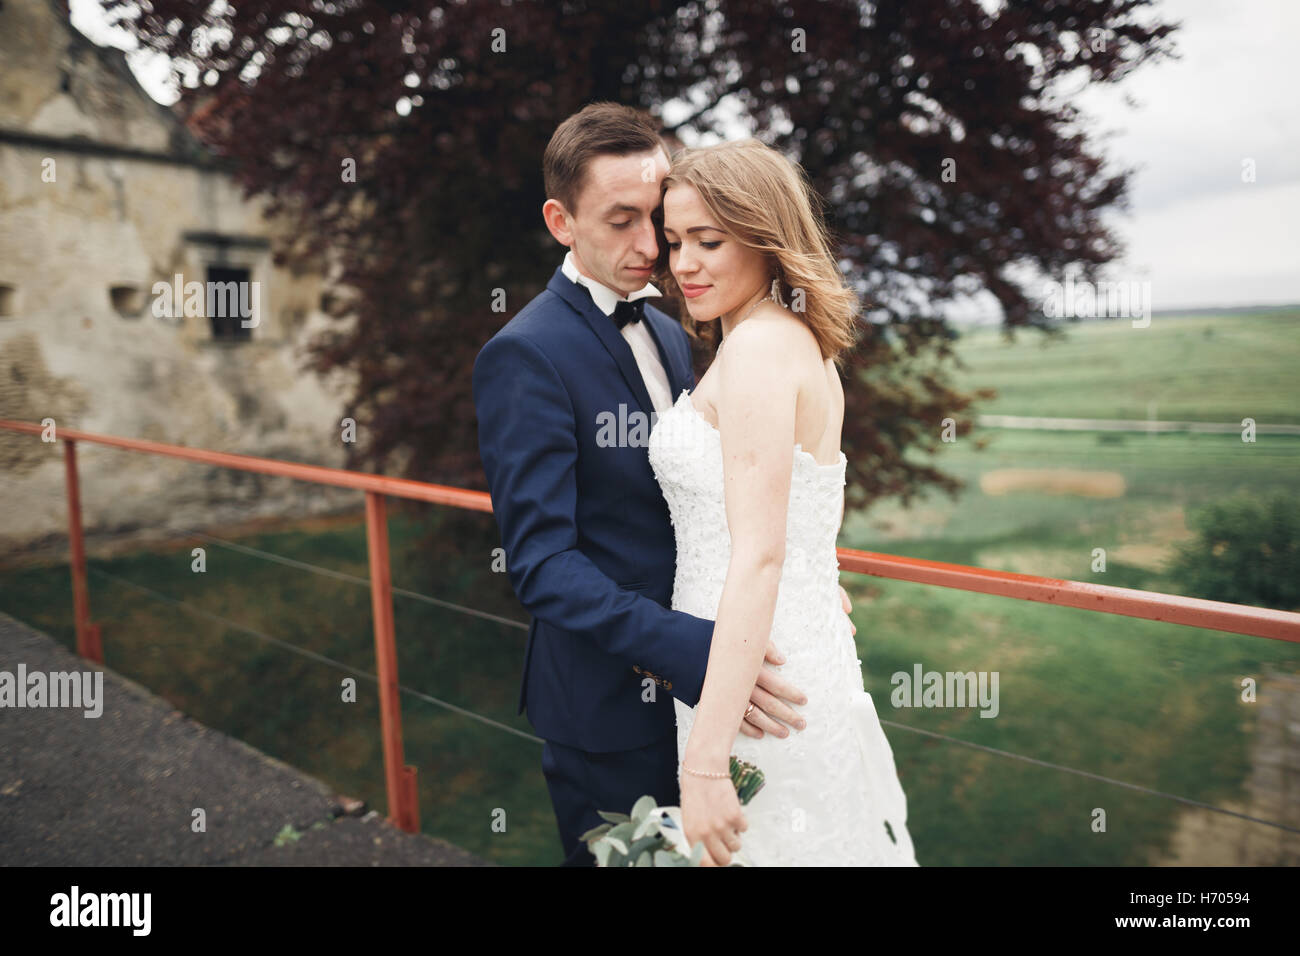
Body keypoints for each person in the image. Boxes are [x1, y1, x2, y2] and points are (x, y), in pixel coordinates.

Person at [473, 103, 849, 865]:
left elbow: (722, 489)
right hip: (606, 713)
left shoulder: (678, 333)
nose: (654, 249)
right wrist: (696, 650)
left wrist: (807, 571)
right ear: (560, 221)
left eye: (662, 221)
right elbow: (542, 566)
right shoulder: (523, 356)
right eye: (622, 221)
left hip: (730, 688)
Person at [647, 138, 919, 866]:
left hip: (756, 686)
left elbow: (761, 553)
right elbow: (796, 528)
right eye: (674, 242)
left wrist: (704, 765)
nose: (684, 264)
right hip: (768, 651)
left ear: (767, 238)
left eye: (709, 240)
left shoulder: (763, 349)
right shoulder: (788, 341)